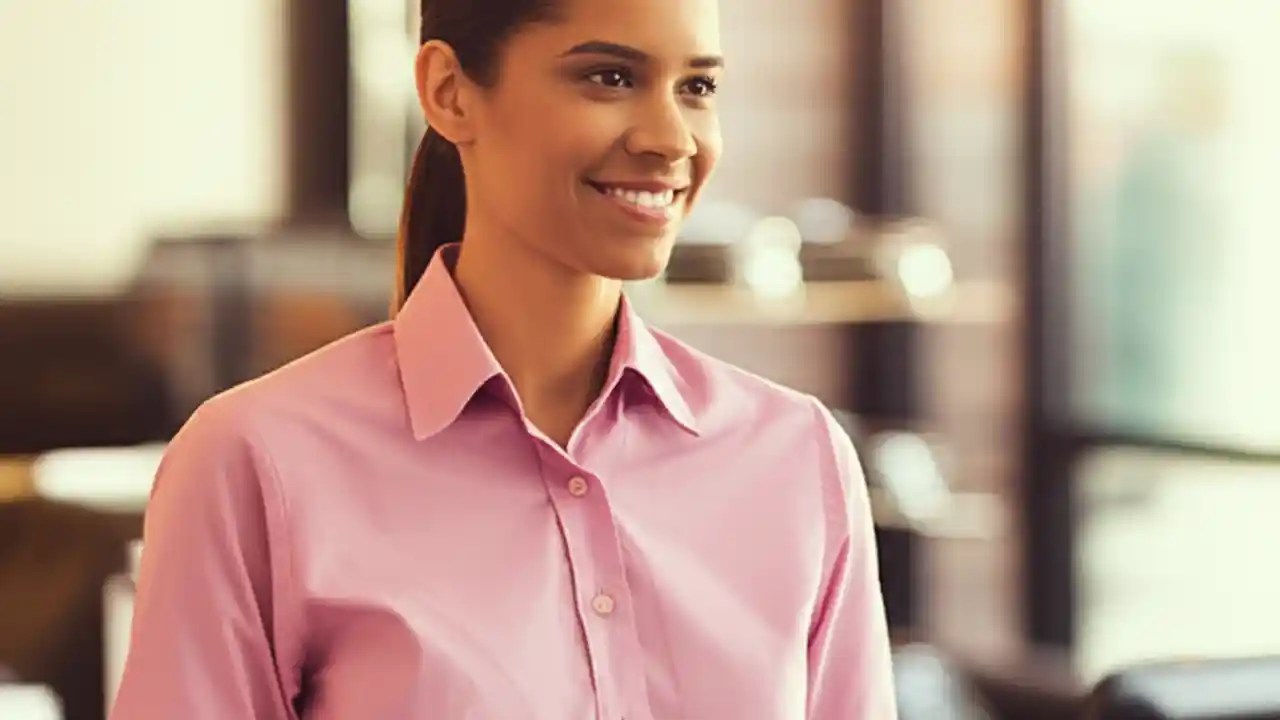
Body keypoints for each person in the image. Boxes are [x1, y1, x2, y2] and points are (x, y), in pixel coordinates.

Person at [109, 0, 897, 717]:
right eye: (611, 76)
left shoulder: (797, 457)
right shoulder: (255, 461)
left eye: (696, 87)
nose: (670, 138)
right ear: (449, 91)